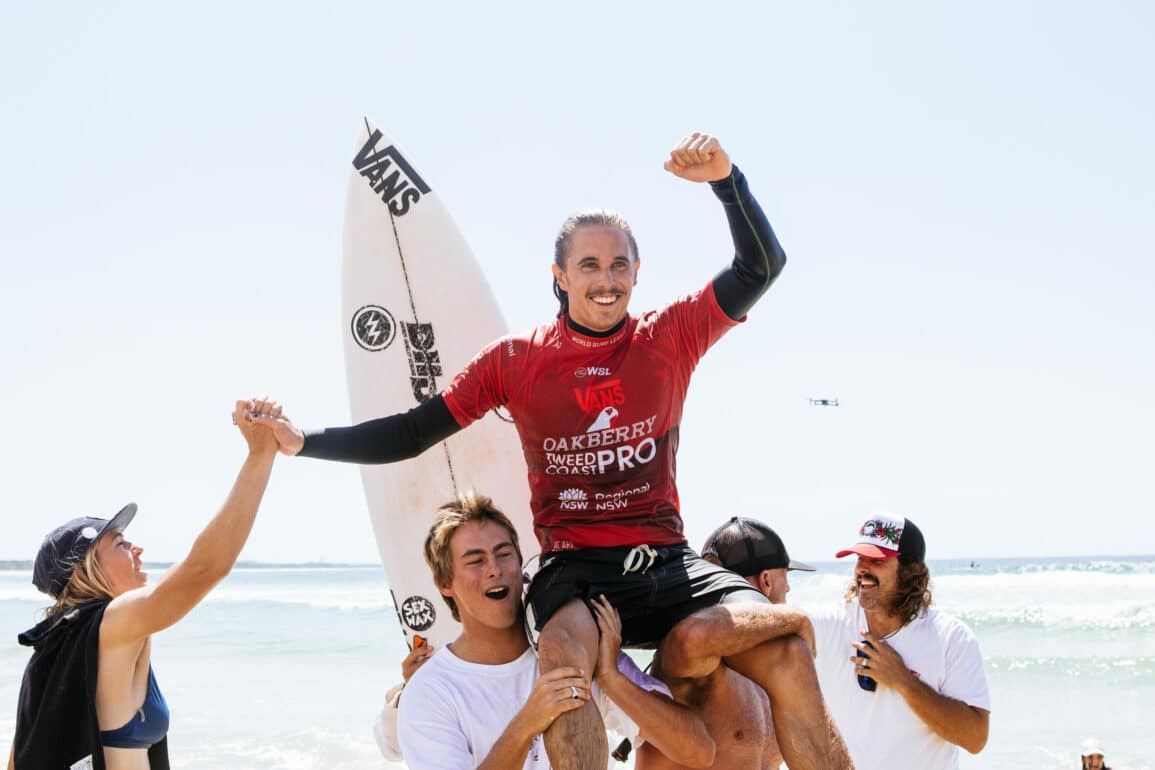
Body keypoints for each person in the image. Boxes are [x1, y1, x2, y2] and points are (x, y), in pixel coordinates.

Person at [253, 132, 849, 770]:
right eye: (589, 265)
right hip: (577, 569)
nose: (606, 279)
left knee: (783, 655)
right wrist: (302, 443)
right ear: (560, 277)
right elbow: (409, 432)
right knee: (564, 666)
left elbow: (760, 266)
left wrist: (726, 181)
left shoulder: (667, 338)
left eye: (619, 264)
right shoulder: (519, 362)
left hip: (669, 565)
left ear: (637, 273)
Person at [8, 399, 279, 770]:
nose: (137, 548)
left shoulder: (60, 644)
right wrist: (261, 455)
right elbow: (206, 568)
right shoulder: (110, 624)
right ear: (87, 570)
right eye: (120, 543)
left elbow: (19, 756)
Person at [394, 491, 715, 770]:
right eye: (475, 561)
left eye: (504, 554)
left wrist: (611, 679)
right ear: (445, 584)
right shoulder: (431, 692)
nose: (495, 569)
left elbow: (699, 751)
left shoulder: (571, 645)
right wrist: (526, 724)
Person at [808, 513, 991, 770]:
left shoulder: (951, 637)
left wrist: (903, 681)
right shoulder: (830, 622)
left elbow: (975, 738)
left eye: (877, 560)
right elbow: (781, 624)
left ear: (912, 570)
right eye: (860, 558)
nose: (862, 568)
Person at [639, 516, 817, 770]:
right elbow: (693, 639)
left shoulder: (768, 672)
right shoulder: (695, 658)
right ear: (766, 581)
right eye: (785, 576)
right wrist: (797, 620)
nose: (788, 589)